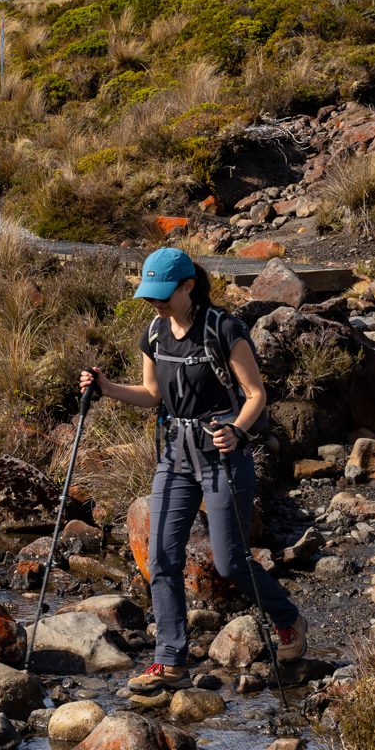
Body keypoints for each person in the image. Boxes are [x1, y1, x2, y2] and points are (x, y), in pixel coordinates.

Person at [80, 244, 306, 697]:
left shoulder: (224, 330)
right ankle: (170, 660)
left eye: (164, 294)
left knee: (230, 561)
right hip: (175, 456)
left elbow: (255, 394)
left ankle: (288, 620)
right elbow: (151, 395)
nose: (155, 302)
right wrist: (105, 388)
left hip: (223, 455)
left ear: (188, 286)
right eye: (150, 294)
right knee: (162, 557)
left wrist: (237, 432)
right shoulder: (154, 333)